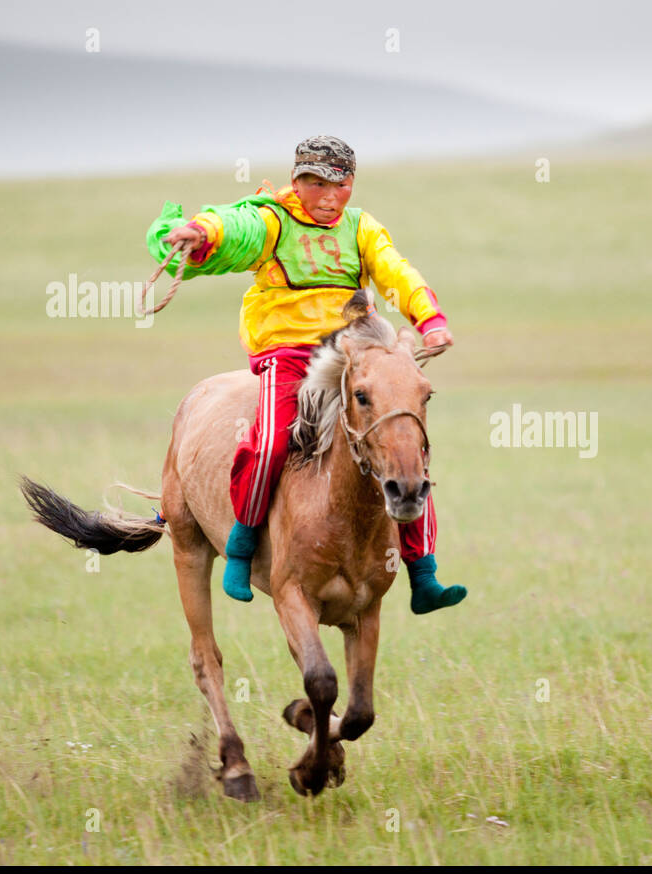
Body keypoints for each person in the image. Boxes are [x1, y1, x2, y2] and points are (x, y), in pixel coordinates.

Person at [145, 135, 466, 614]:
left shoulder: (361, 228)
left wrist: (430, 320)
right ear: (297, 181)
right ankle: (241, 546)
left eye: (337, 185)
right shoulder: (274, 220)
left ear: (351, 184)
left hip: (353, 353)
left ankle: (422, 572)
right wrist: (204, 231)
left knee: (407, 446)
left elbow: (395, 272)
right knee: (272, 438)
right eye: (314, 183)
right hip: (288, 355)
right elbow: (238, 225)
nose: (326, 196)